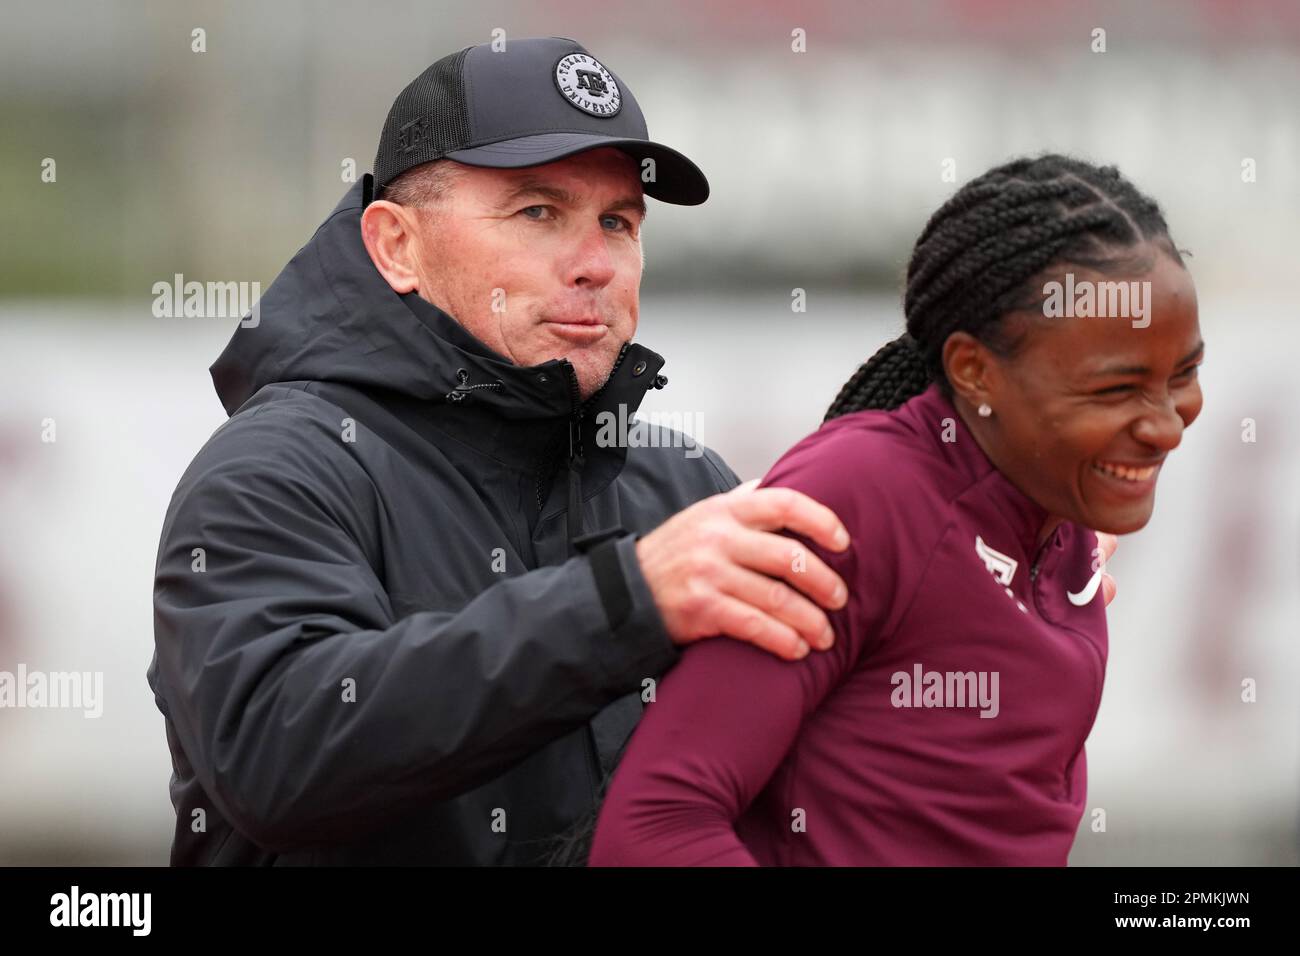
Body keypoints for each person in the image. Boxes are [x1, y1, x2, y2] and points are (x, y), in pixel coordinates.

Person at [147, 36, 852, 866]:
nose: (596, 264)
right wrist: (627, 603)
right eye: (538, 213)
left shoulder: (688, 488)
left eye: (618, 222)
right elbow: (275, 753)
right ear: (395, 246)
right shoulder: (277, 470)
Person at [589, 154, 1200, 866]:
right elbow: (654, 828)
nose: (1166, 423)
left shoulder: (1060, 516)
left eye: (1183, 374)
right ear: (974, 370)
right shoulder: (859, 495)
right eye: (1115, 390)